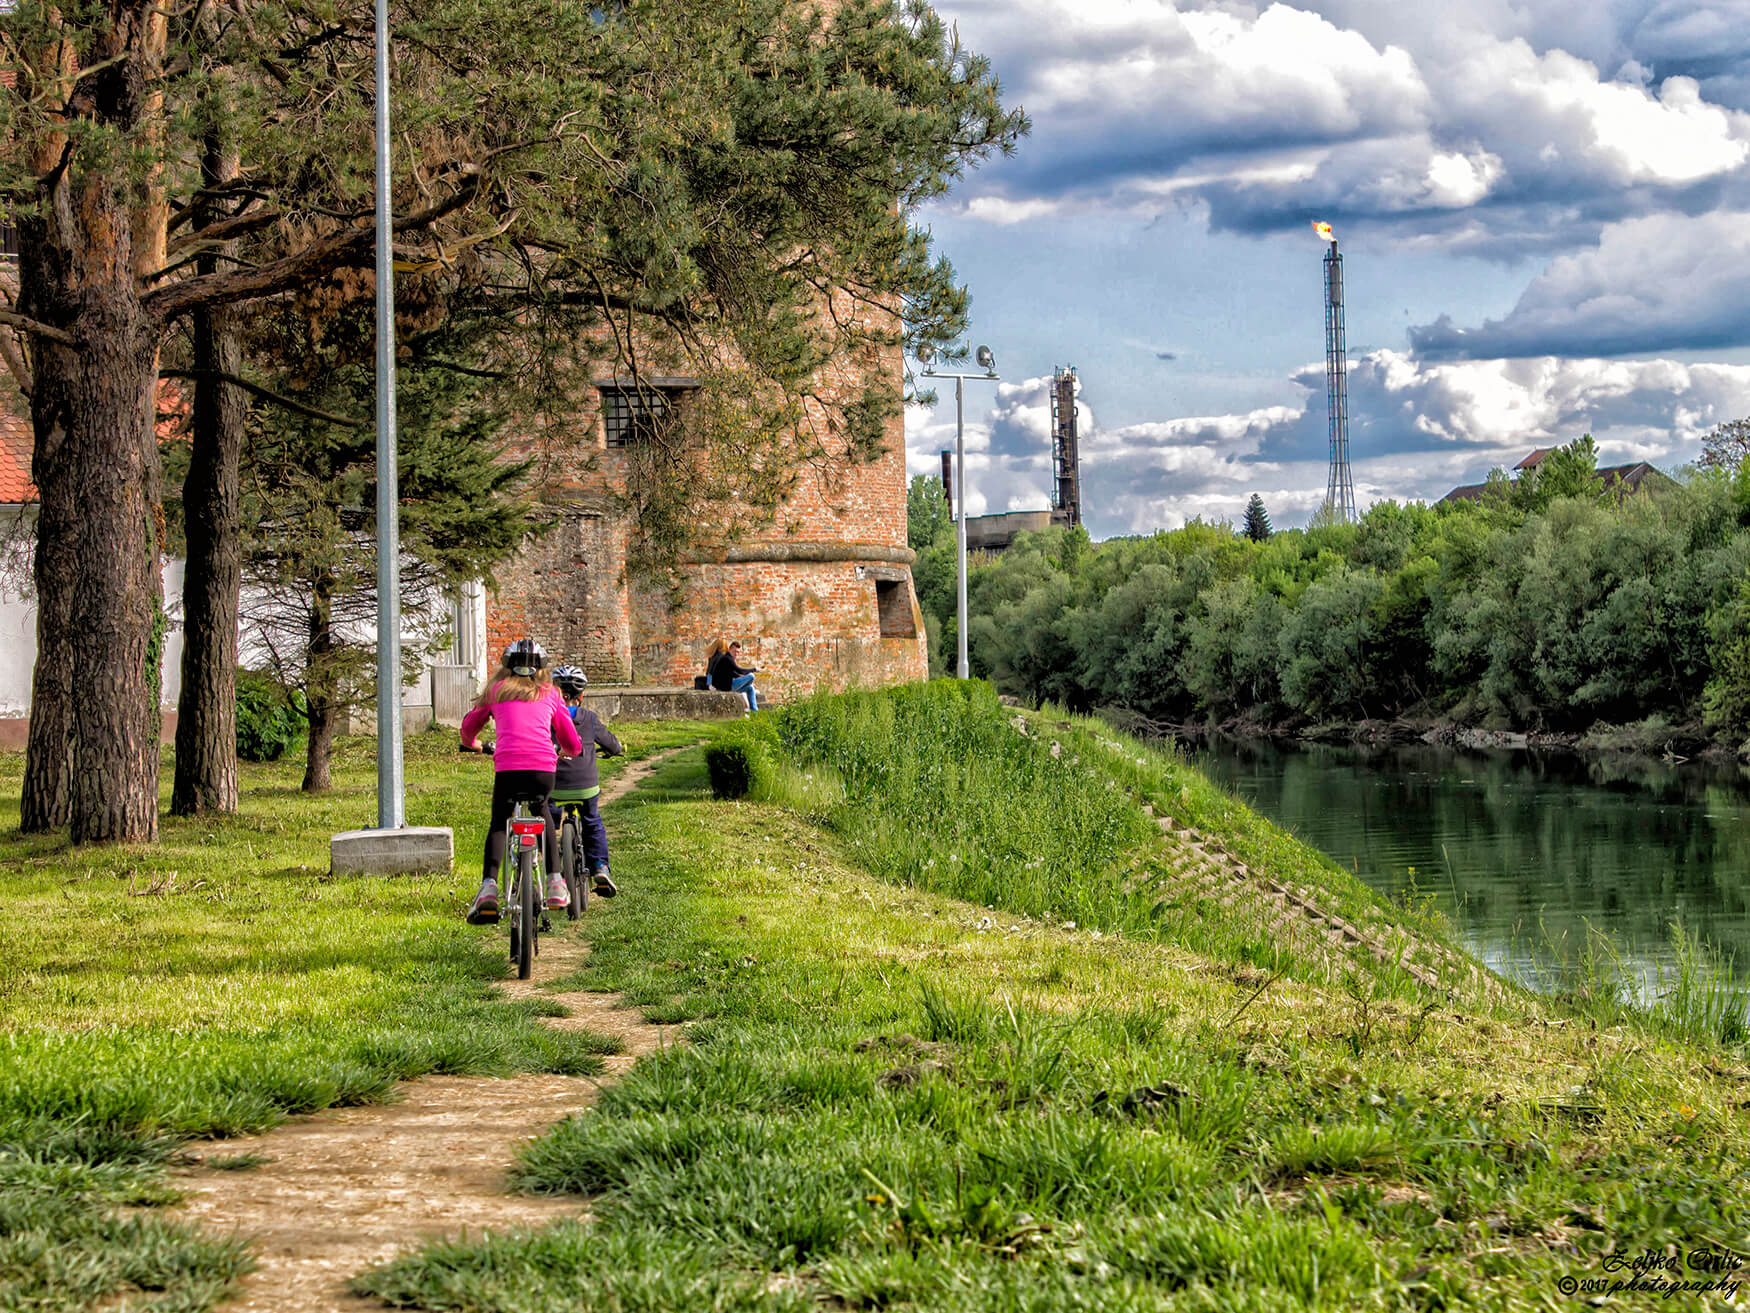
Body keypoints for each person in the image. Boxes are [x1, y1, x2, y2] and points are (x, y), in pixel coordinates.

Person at [458, 639, 582, 924]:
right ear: (541, 668)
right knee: (542, 812)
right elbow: (569, 738)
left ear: (507, 665)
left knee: (500, 820)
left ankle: (489, 887)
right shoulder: (550, 693)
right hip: (542, 770)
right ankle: (554, 881)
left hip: (508, 770)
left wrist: (472, 743)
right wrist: (571, 750)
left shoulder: (496, 690)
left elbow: (469, 727)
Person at [548, 664, 623, 898]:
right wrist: (615, 749)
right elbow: (611, 743)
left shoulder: (546, 715)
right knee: (592, 820)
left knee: (548, 814)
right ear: (581, 696)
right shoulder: (589, 718)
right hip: (585, 785)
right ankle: (600, 866)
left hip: (553, 786)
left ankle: (545, 853)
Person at [707, 636, 760, 712]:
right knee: (751, 676)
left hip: (728, 686)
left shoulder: (728, 658)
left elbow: (734, 673)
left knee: (750, 688)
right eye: (735, 651)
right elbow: (739, 670)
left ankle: (755, 711)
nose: (736, 654)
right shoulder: (727, 658)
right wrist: (754, 669)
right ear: (729, 649)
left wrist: (749, 682)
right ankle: (749, 707)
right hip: (726, 687)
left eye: (738, 652)